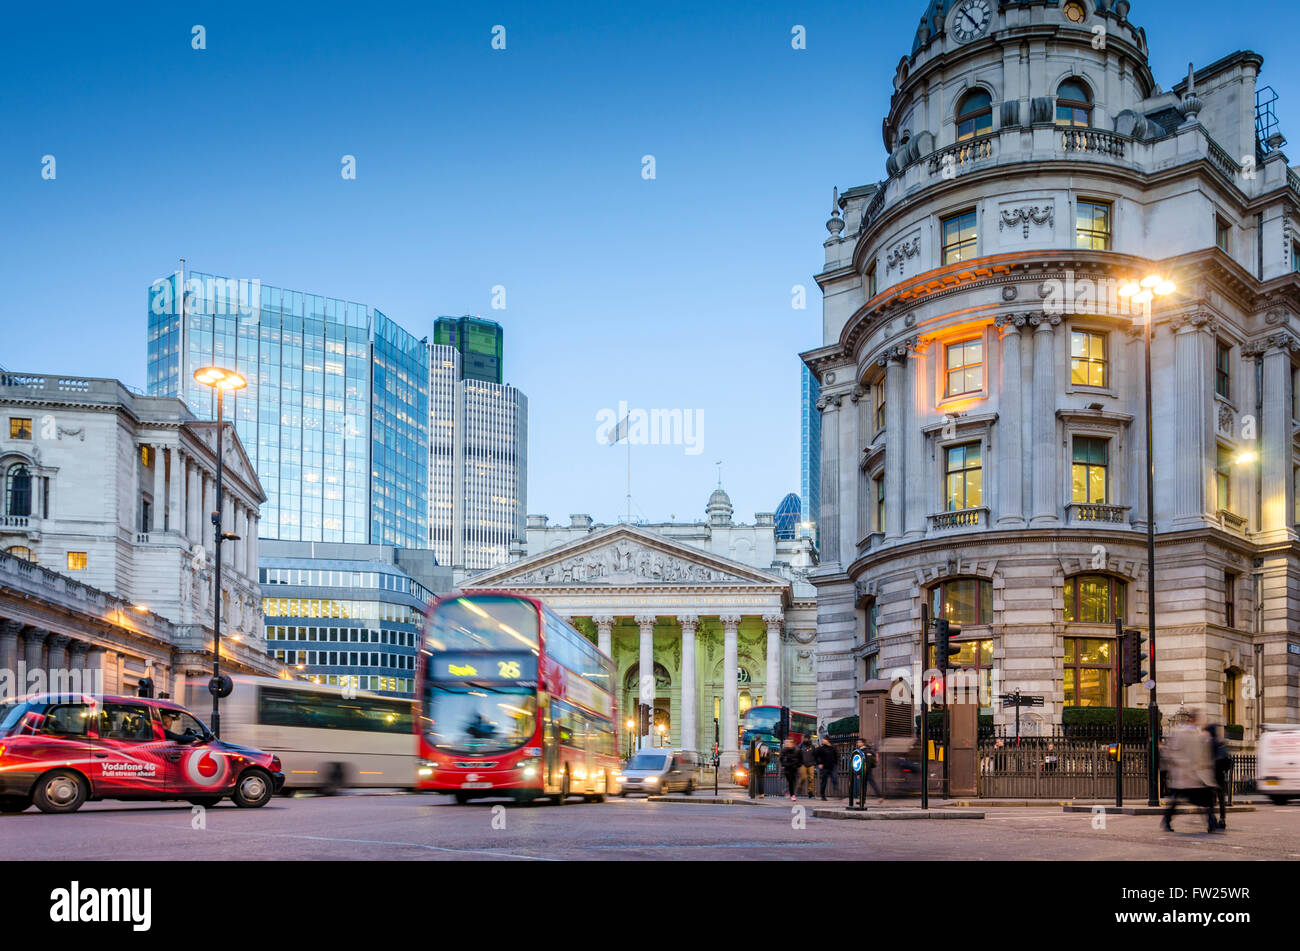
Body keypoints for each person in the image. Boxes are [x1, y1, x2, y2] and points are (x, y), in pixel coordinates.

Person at [1161, 710, 1216, 833]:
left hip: (1198, 775)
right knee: (1176, 800)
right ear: (1192, 720)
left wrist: (1206, 770)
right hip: (1183, 774)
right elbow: (1171, 752)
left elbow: (1205, 755)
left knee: (1205, 799)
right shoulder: (1179, 733)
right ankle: (1167, 820)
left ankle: (1211, 822)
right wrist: (1183, 764)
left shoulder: (1201, 735)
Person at [1207, 723, 1233, 831]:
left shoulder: (1207, 744)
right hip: (1220, 776)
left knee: (1210, 799)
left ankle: (1211, 820)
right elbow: (1228, 762)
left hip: (1210, 775)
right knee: (1221, 799)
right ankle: (1222, 819)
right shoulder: (1221, 744)